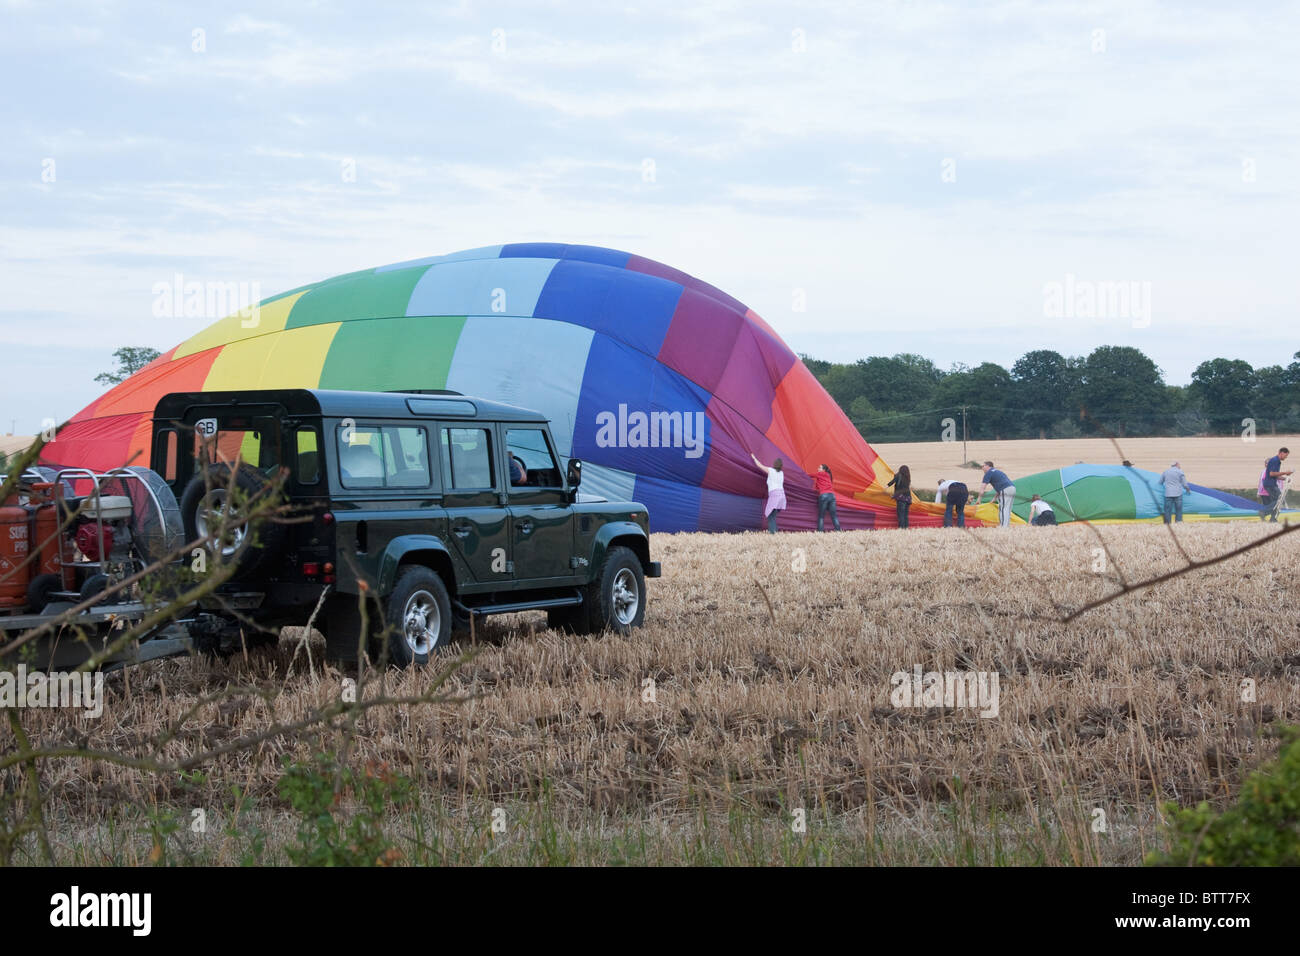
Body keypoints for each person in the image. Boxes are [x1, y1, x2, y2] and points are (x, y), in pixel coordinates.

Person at [751, 452, 785, 533]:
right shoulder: (781, 473)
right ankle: (775, 532)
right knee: (773, 516)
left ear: (775, 464)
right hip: (782, 495)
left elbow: (760, 466)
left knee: (770, 516)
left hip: (775, 495)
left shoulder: (771, 471)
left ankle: (773, 534)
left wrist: (754, 458)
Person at [977, 461, 1016, 528]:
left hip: (1005, 490)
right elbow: (1000, 488)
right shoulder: (997, 472)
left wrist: (979, 499)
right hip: (1012, 488)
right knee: (1007, 508)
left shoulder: (988, 473)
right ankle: (1006, 526)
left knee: (1003, 508)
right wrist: (994, 499)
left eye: (983, 466)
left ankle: (1003, 527)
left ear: (988, 466)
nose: (982, 468)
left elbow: (982, 488)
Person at [1260, 447, 1293, 522]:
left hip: (1271, 483)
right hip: (1270, 484)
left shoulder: (1277, 461)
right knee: (1279, 501)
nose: (1286, 457)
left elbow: (1275, 475)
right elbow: (1271, 474)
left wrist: (1285, 478)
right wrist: (1285, 472)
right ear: (1281, 453)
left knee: (1278, 501)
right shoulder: (1275, 460)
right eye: (1286, 455)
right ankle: (1263, 512)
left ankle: (1273, 519)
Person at [813, 464, 840, 531]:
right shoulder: (828, 475)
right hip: (832, 496)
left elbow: (810, 475)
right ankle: (838, 531)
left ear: (823, 470)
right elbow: (817, 487)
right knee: (834, 516)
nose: (818, 468)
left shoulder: (820, 474)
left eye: (819, 467)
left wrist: (801, 474)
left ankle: (820, 532)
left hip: (824, 495)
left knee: (821, 517)